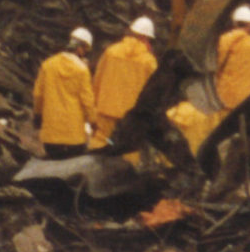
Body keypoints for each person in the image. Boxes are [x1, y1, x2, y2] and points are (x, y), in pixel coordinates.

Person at [90, 16, 160, 148]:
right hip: (131, 118)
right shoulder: (149, 61)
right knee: (128, 149)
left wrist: (95, 106)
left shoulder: (111, 52)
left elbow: (97, 80)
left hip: (106, 110)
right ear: (146, 38)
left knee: (100, 144)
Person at [33, 27, 97, 159]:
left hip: (50, 137)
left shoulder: (48, 65)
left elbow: (38, 94)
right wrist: (93, 122)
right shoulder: (82, 70)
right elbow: (87, 101)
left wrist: (38, 114)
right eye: (85, 50)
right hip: (74, 138)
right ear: (80, 48)